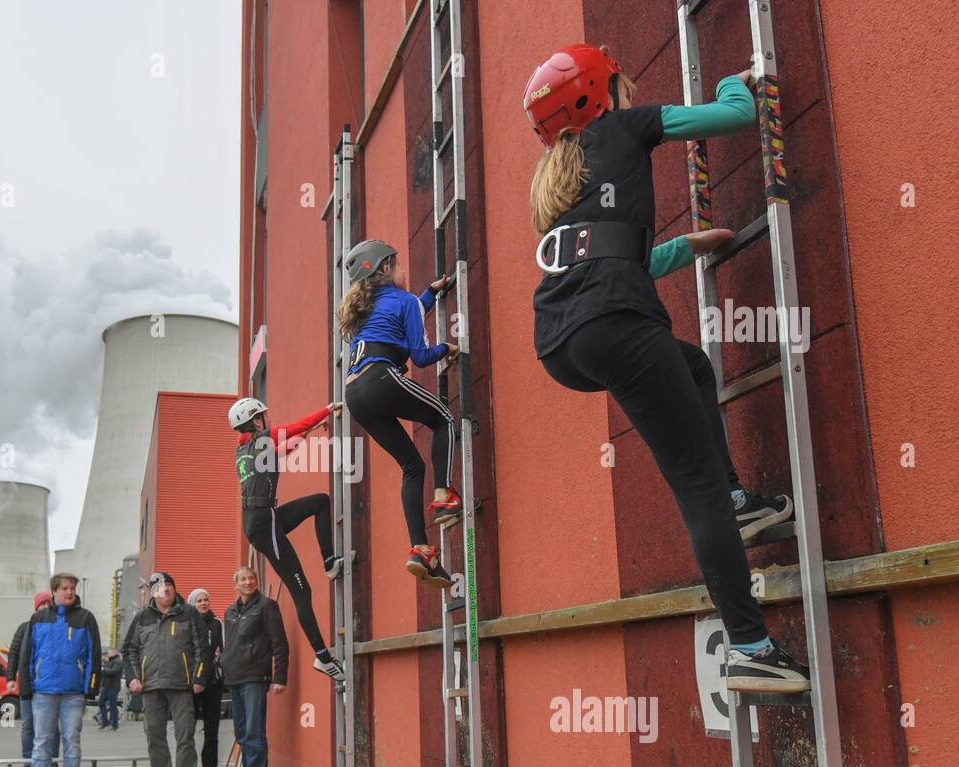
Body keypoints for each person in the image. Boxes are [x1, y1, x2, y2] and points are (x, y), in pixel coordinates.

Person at [524, 44, 804, 693]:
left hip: (561, 342)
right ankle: (751, 646)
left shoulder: (560, 177)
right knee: (694, 484)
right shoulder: (628, 125)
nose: (631, 90)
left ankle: (736, 501)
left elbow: (614, 258)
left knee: (693, 367)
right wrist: (737, 79)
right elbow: (734, 116)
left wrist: (687, 245)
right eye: (622, 83)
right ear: (601, 92)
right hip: (616, 323)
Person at [338, 239, 462, 589]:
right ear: (385, 268)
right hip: (381, 378)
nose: (404, 270)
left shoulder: (367, 307)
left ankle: (421, 550)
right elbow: (420, 356)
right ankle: (444, 496)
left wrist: (430, 294)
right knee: (443, 419)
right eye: (399, 264)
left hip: (354, 394)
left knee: (411, 466)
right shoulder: (402, 300)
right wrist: (447, 348)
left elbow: (406, 314)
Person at [228, 396, 345, 683]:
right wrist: (328, 408)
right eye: (263, 416)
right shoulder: (260, 439)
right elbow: (297, 426)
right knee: (301, 591)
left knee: (320, 502)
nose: (267, 420)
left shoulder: (244, 448)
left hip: (262, 518)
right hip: (262, 522)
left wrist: (308, 434)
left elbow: (282, 449)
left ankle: (329, 562)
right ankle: (323, 657)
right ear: (256, 421)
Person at [122, 572, 210, 767]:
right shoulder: (142, 618)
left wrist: (199, 677)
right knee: (154, 735)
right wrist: (133, 677)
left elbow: (202, 648)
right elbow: (129, 650)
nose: (167, 589)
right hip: (150, 687)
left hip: (182, 686)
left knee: (185, 735)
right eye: (161, 587)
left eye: (170, 585)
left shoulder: (188, 614)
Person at [14, 573, 100, 767]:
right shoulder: (38, 618)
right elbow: (27, 655)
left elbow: (93, 655)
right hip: (43, 691)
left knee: (72, 739)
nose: (70, 592)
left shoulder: (86, 618)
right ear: (54, 591)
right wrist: (26, 687)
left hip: (73, 692)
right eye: (65, 588)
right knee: (42, 740)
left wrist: (90, 688)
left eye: (72, 588)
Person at [221, 566, 288, 767]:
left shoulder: (267, 606)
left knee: (253, 730)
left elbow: (279, 643)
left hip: (255, 677)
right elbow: (231, 644)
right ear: (236, 584)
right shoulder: (230, 611)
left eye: (251, 578)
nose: (248, 582)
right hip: (234, 677)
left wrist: (279, 677)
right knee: (242, 732)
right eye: (243, 579)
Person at [7, 590, 52, 767]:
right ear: (36, 607)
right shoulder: (24, 628)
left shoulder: (56, 627)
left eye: (48, 604)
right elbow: (13, 653)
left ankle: (51, 764)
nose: (46, 607)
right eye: (42, 604)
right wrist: (10, 677)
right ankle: (28, 763)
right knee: (28, 725)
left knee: (49, 727)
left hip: (49, 685)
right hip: (28, 684)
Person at [187, 587, 225, 767]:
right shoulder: (187, 624)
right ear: (192, 604)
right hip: (192, 685)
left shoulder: (217, 624)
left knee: (212, 732)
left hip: (213, 684)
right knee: (187, 732)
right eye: (199, 600)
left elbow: (224, 651)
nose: (203, 603)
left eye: (206, 599)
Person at [96, 648, 123, 731]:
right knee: (101, 703)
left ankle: (114, 724)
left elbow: (113, 672)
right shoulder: (110, 661)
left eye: (109, 653)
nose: (107, 654)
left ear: (114, 653)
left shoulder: (117, 662)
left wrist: (103, 670)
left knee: (112, 706)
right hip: (106, 686)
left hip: (113, 687)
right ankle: (105, 722)